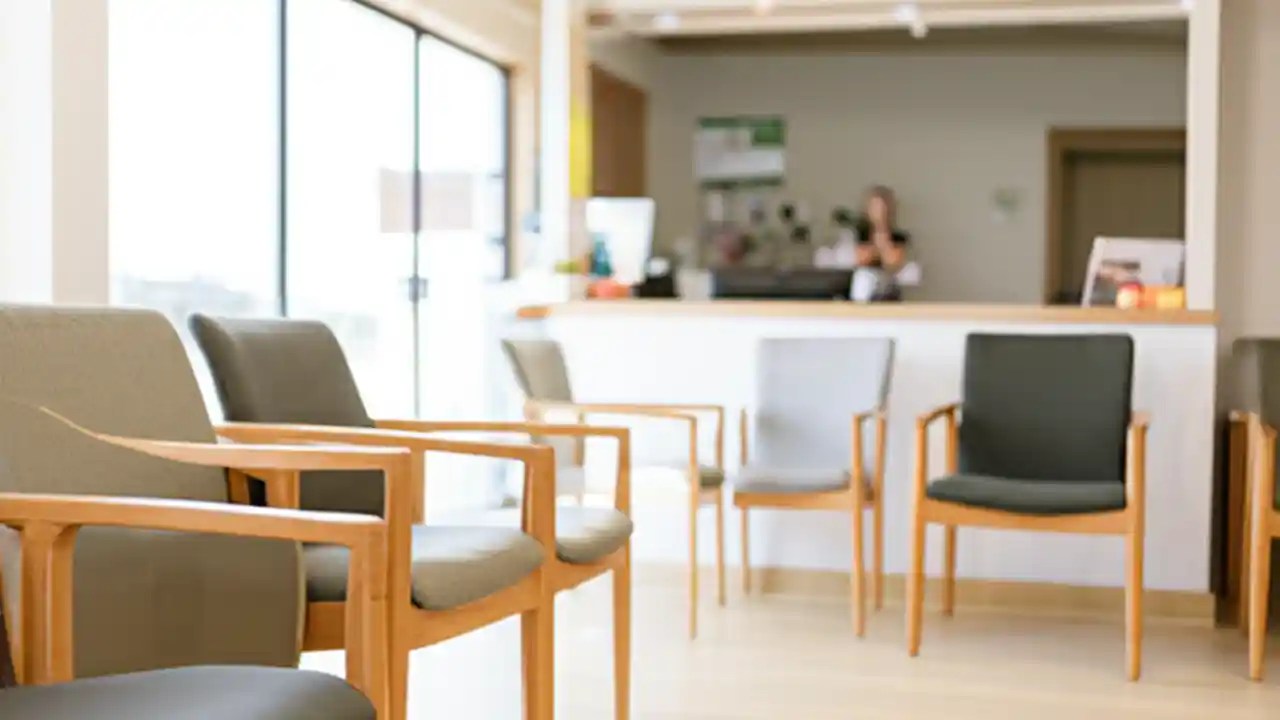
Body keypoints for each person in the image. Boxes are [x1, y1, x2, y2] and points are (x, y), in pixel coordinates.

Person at [853, 185, 909, 270]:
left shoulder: (899, 237)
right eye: (875, 207)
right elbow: (860, 259)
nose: (879, 212)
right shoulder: (861, 234)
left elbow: (893, 262)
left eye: (882, 207)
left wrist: (882, 232)